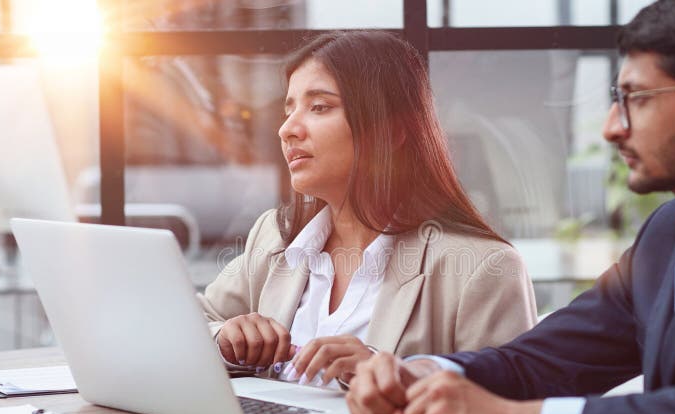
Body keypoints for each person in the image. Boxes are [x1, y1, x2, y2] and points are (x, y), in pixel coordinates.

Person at [346, 0, 675, 414]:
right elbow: (548, 359)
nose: (611, 128)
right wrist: (425, 374)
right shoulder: (667, 234)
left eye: (638, 98)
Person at [198, 31, 537, 388]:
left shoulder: (485, 268)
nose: (287, 130)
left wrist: (390, 376)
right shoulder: (276, 234)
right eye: (289, 109)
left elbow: (505, 406)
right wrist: (225, 338)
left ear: (390, 130)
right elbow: (186, 323)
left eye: (319, 107)